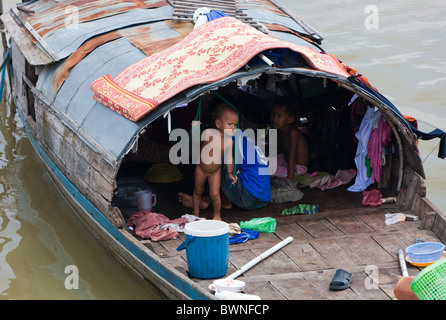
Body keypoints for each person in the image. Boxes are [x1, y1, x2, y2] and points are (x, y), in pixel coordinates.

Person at [192, 103, 238, 220]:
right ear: (218, 123)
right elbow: (195, 142)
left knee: (215, 194)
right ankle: (195, 211)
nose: (233, 127)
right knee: (198, 190)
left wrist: (230, 173)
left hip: (215, 171)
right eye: (230, 124)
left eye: (235, 125)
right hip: (201, 169)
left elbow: (229, 159)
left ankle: (216, 214)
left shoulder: (229, 142)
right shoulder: (209, 133)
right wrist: (195, 129)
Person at [270, 97, 309, 180]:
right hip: (285, 161)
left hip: (297, 169)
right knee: (262, 163)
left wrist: (290, 182)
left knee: (266, 169)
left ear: (290, 119)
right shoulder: (280, 129)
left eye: (279, 116)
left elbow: (292, 159)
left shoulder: (293, 133)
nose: (274, 118)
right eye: (273, 114)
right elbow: (280, 151)